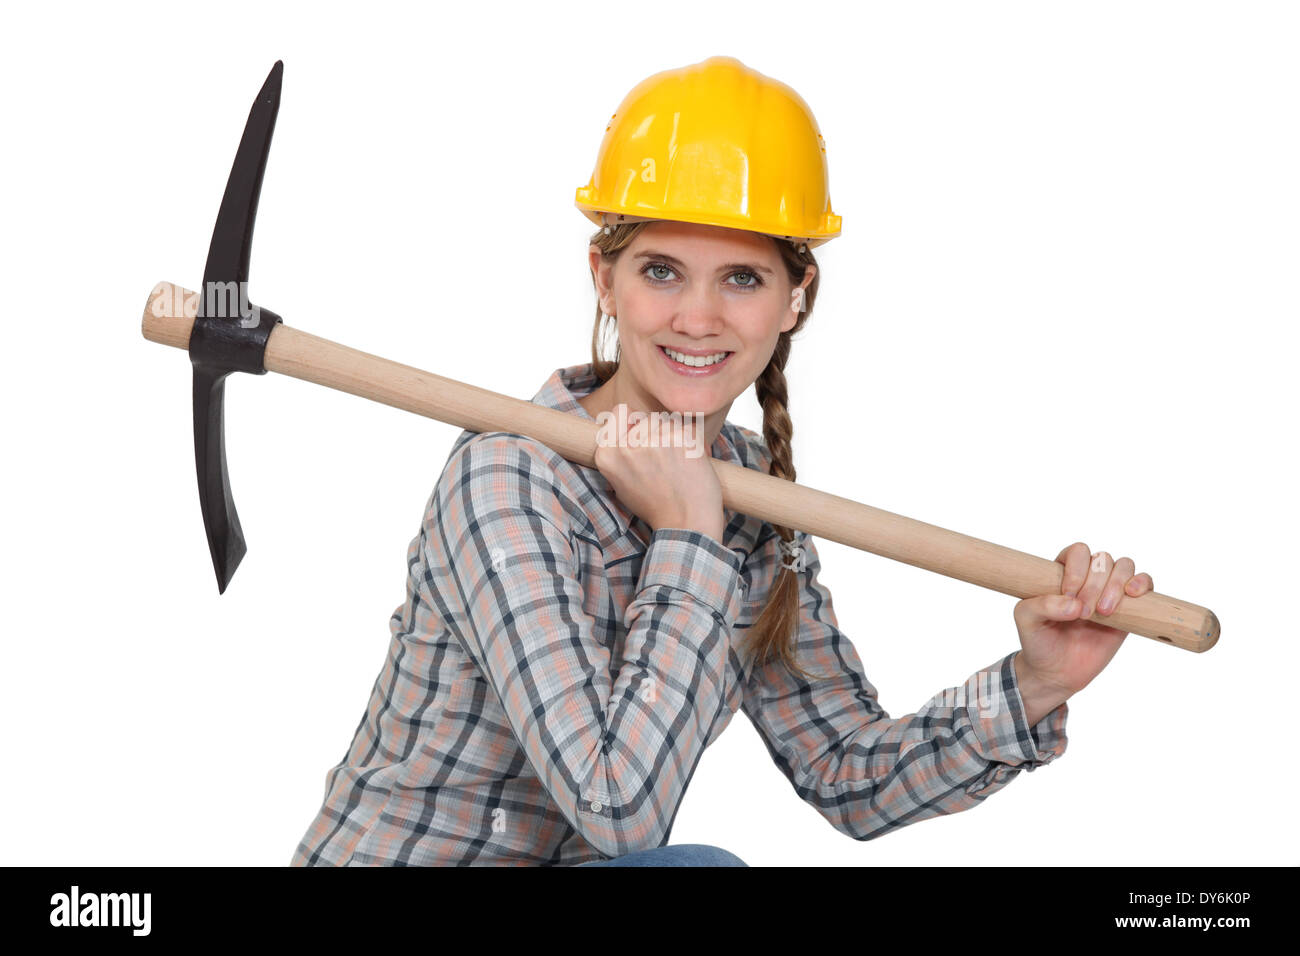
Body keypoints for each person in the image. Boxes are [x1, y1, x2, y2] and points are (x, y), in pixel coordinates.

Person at [289, 56, 1154, 868]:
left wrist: (1033, 685)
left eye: (741, 279)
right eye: (661, 270)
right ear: (604, 277)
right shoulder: (510, 480)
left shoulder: (757, 500)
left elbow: (845, 771)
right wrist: (690, 535)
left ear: (795, 299)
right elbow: (619, 810)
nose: (697, 318)